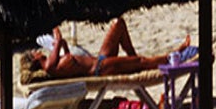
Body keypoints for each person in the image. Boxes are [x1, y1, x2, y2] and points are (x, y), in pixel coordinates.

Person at [31, 18, 189, 79]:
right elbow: (58, 38)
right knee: (140, 61)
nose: (36, 51)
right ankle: (175, 54)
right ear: (35, 59)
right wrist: (53, 24)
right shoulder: (49, 65)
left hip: (100, 60)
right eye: (34, 53)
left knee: (118, 24)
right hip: (100, 69)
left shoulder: (53, 61)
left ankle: (134, 63)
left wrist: (61, 45)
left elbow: (64, 46)